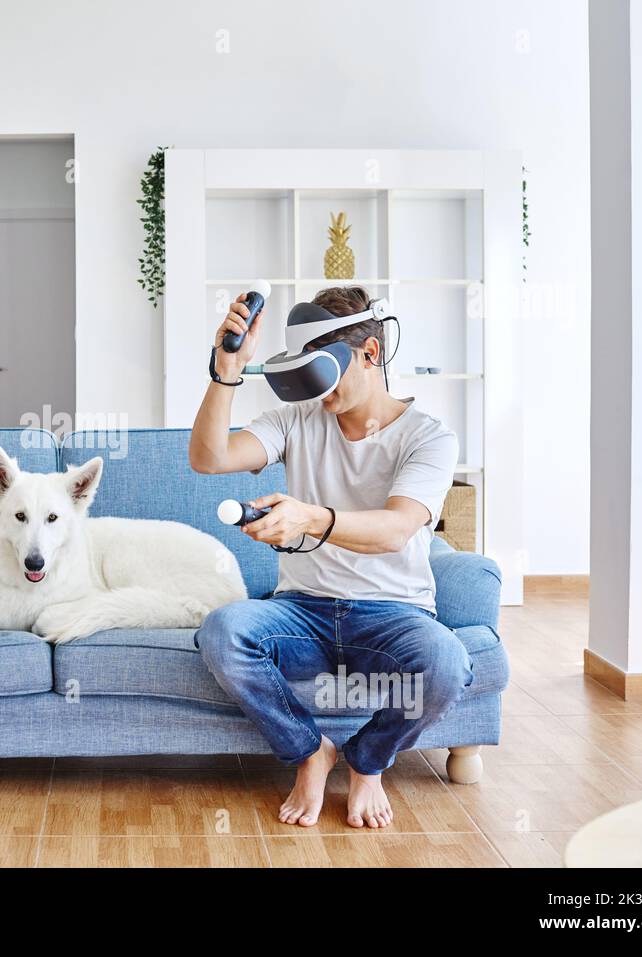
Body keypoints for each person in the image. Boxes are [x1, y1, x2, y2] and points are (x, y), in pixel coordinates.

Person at [189, 286, 473, 829]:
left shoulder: (429, 438)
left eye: (325, 374)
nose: (317, 393)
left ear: (369, 354)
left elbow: (395, 530)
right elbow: (209, 457)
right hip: (302, 612)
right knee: (224, 632)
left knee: (447, 663)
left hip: (394, 614)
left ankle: (368, 763)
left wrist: (310, 518)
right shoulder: (296, 421)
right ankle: (309, 751)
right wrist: (226, 368)